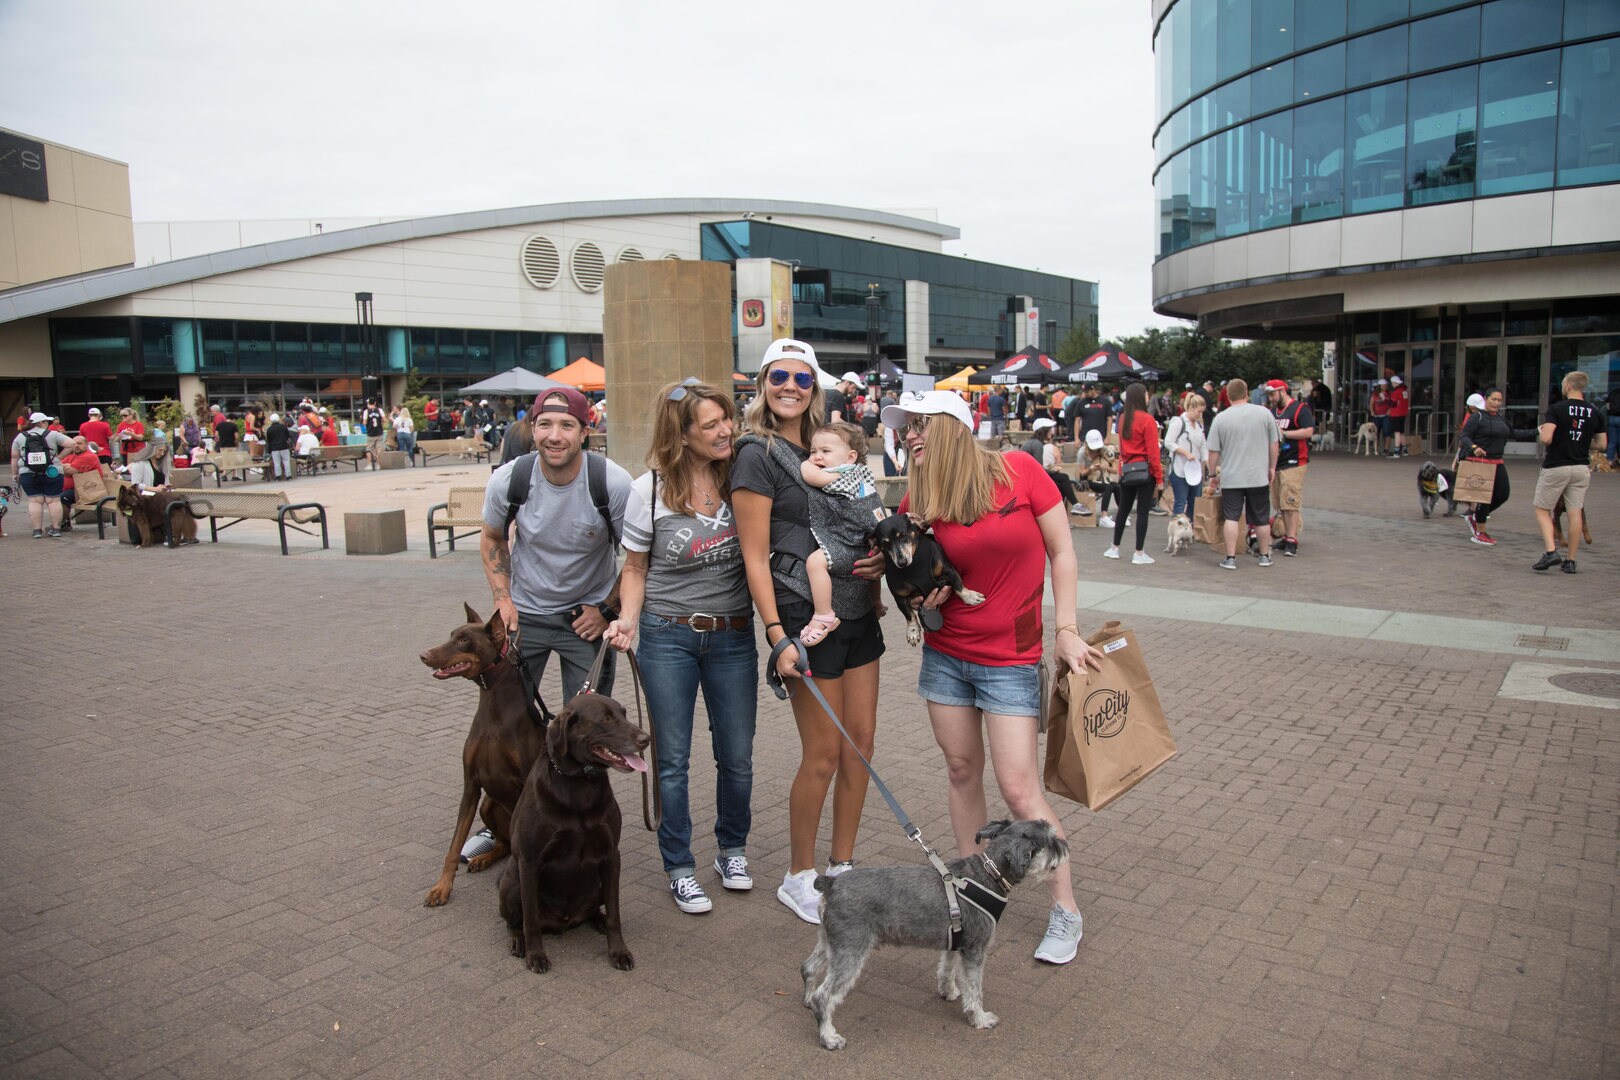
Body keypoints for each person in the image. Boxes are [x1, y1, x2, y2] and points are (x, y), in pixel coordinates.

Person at [884, 389, 1103, 965]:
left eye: (919, 425)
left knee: (1019, 789)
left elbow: (1063, 551)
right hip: (947, 654)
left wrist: (1068, 628)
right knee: (960, 770)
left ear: (954, 428)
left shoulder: (1022, 471)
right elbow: (915, 565)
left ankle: (1065, 910)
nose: (909, 436)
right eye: (906, 428)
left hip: (1010, 657)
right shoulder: (920, 494)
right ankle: (972, 893)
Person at [731, 338, 886, 925]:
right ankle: (798, 876)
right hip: (803, 615)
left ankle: (840, 868)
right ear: (763, 384)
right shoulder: (757, 453)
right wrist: (775, 635)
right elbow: (754, 555)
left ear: (814, 386)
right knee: (822, 753)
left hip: (857, 611)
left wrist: (873, 563)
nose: (790, 387)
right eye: (778, 377)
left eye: (801, 377)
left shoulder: (832, 446)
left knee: (860, 748)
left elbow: (861, 514)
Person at [603, 379, 758, 915]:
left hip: (734, 635)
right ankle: (680, 866)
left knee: (736, 757)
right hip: (668, 636)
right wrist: (627, 620)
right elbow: (635, 568)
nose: (724, 430)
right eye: (710, 424)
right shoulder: (649, 489)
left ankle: (732, 851)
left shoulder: (743, 476)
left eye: (726, 419)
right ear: (683, 434)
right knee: (671, 760)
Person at [482, 386, 630, 701]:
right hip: (524, 614)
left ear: (584, 432)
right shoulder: (509, 480)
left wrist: (607, 609)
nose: (554, 435)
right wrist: (502, 600)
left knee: (585, 722)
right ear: (533, 429)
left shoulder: (611, 483)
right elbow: (493, 536)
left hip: (585, 617)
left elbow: (639, 559)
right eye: (545, 424)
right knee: (508, 712)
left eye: (566, 425)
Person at [796, 420, 886, 646]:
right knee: (869, 569)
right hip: (865, 541)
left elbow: (811, 477)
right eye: (813, 451)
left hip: (848, 540)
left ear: (850, 457)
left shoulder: (839, 474)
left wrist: (806, 463)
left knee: (815, 563)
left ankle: (824, 615)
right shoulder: (860, 473)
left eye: (825, 451)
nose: (817, 457)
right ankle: (875, 601)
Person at [1531, 371, 1607, 574]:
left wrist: (1542, 431)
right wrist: (1581, 441)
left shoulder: (1556, 409)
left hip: (1557, 465)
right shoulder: (1595, 412)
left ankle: (1550, 552)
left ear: (1567, 386)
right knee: (1575, 512)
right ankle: (1571, 560)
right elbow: (1602, 444)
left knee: (1542, 509)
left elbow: (1547, 438)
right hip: (1581, 468)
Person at [1206, 378, 1279, 570]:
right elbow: (1274, 444)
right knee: (1262, 518)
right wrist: (1272, 467)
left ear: (1228, 396)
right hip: (1258, 476)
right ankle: (1264, 556)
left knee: (1231, 517)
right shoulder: (1264, 414)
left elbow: (1213, 452)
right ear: (1246, 393)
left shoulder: (1221, 418)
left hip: (1232, 478)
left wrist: (1212, 475)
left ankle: (1230, 558)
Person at [1102, 382, 1164, 565]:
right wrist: (1159, 478)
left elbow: (1122, 448)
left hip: (1128, 470)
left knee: (1123, 509)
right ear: (1141, 396)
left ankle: (1115, 547)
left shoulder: (1123, 419)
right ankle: (1138, 551)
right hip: (1145, 471)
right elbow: (1153, 452)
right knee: (1142, 511)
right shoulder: (1147, 420)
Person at [1265, 379, 1314, 556]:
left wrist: (1284, 433)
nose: (1270, 398)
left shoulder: (1300, 409)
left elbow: (1308, 431)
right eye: (1269, 394)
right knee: (1279, 501)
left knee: (1290, 499)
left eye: (1273, 393)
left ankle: (1292, 539)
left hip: (1295, 461)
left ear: (1282, 391)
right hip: (1277, 462)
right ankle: (1286, 536)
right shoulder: (1272, 412)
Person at [1458, 388, 1512, 546]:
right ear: (1486, 399)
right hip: (1481, 463)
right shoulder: (1477, 417)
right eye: (1493, 399)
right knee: (1483, 497)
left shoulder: (1501, 418)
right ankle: (1480, 532)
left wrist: (1538, 431)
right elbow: (1464, 436)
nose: (1496, 403)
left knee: (1503, 494)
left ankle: (1476, 516)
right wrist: (1474, 447)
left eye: (1499, 400)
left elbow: (1514, 432)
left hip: (1497, 461)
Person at [12, 412, 73, 538]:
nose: (47, 424)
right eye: (46, 422)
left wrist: (15, 474)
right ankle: (56, 529)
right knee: (54, 500)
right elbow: (71, 444)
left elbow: (14, 457)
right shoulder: (52, 434)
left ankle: (37, 531)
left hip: (28, 472)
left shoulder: (20, 437)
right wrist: (59, 457)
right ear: (41, 423)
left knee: (35, 501)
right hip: (52, 472)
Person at [1021, 417, 1086, 514]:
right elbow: (1038, 470)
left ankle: (1064, 512)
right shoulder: (1037, 445)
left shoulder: (1033, 443)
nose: (1052, 432)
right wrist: (1053, 471)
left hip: (1027, 476)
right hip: (1029, 478)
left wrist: (1051, 470)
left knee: (1060, 483)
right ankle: (1074, 504)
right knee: (1063, 478)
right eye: (1050, 430)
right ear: (1044, 431)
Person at [1163, 393, 1208, 516]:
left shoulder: (1199, 425)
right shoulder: (1179, 422)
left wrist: (1207, 463)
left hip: (1195, 470)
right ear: (1191, 408)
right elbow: (1168, 442)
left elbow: (1203, 445)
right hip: (1180, 469)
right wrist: (1185, 452)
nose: (1200, 415)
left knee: (1194, 502)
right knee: (1180, 502)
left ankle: (1190, 528)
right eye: (1199, 411)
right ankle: (1177, 530)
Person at [56, 434, 103, 532]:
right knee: (52, 495)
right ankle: (63, 523)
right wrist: (67, 466)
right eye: (74, 444)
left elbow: (69, 471)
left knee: (62, 498)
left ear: (86, 444)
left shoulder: (89, 456)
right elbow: (56, 467)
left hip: (87, 491)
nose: (76, 446)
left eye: (79, 443)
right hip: (75, 490)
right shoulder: (72, 456)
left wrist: (66, 467)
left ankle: (62, 523)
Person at [1386, 374, 1411, 457]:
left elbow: (1392, 404)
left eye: (1392, 383)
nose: (1392, 385)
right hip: (1403, 413)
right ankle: (1405, 450)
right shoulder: (1404, 391)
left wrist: (1386, 400)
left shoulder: (1396, 392)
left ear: (1395, 383)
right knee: (1401, 432)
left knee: (1397, 432)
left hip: (1396, 414)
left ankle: (1397, 451)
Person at [361, 398, 388, 470]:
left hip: (370, 432)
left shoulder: (366, 411)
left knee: (369, 449)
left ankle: (369, 464)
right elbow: (385, 420)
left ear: (368, 403)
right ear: (375, 403)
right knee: (379, 448)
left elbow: (364, 423)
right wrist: (380, 421)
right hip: (379, 432)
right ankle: (378, 464)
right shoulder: (380, 410)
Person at [264, 413, 293, 480]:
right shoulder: (283, 427)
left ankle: (278, 476)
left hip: (274, 448)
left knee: (276, 462)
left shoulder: (269, 429)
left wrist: (269, 450)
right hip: (284, 447)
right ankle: (288, 475)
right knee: (286, 461)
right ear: (278, 419)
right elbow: (287, 436)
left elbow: (269, 440)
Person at [1370, 380, 1391, 455]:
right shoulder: (1375, 394)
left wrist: (1390, 410)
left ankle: (1386, 449)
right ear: (1380, 386)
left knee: (1387, 432)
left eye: (1386, 385)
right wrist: (1372, 411)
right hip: (1376, 416)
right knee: (1376, 433)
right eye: (1383, 385)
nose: (1385, 387)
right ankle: (1376, 449)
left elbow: (1393, 403)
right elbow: (1371, 404)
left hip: (1386, 416)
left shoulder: (1389, 394)